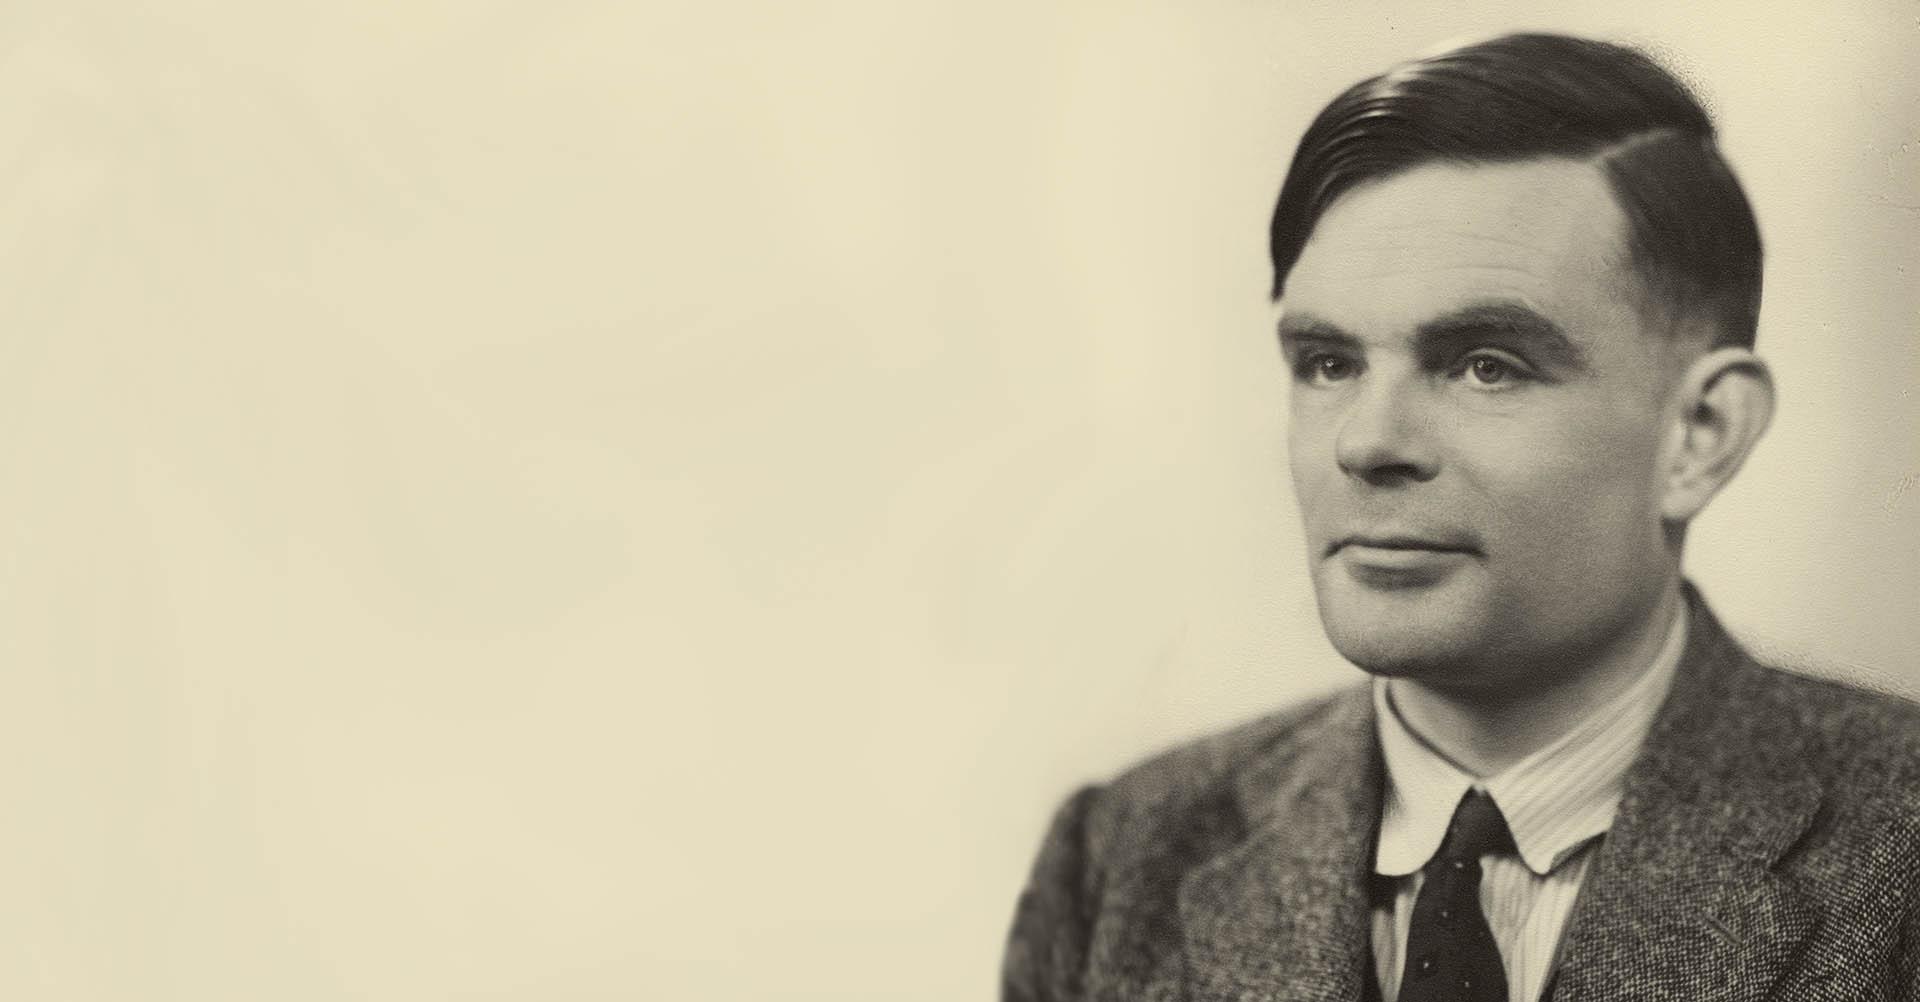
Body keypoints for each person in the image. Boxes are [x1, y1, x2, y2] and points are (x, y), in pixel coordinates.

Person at [1001, 32, 1920, 1002]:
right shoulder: (1118, 858)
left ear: (1698, 433)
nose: (1368, 442)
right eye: (1328, 363)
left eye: (1486, 365)